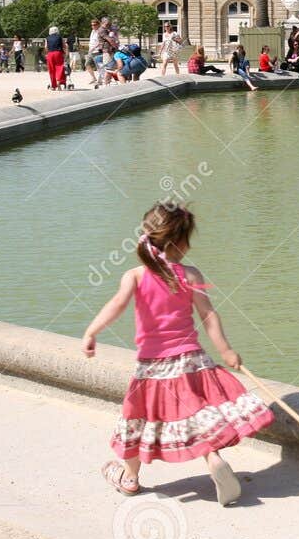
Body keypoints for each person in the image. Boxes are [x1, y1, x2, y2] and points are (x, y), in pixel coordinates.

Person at [82, 202, 273, 505]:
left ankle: (130, 478)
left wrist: (92, 332)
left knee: (138, 419)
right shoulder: (191, 274)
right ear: (180, 242)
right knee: (196, 415)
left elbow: (116, 306)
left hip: (152, 367)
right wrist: (226, 350)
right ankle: (213, 459)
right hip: (191, 361)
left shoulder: (135, 276)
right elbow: (208, 315)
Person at [44, 25, 68, 89]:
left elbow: (46, 47)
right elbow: (64, 46)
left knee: (51, 69)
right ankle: (59, 81)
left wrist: (47, 53)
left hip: (50, 54)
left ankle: (53, 85)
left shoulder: (47, 38)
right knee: (59, 67)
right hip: (58, 53)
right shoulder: (60, 37)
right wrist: (65, 52)